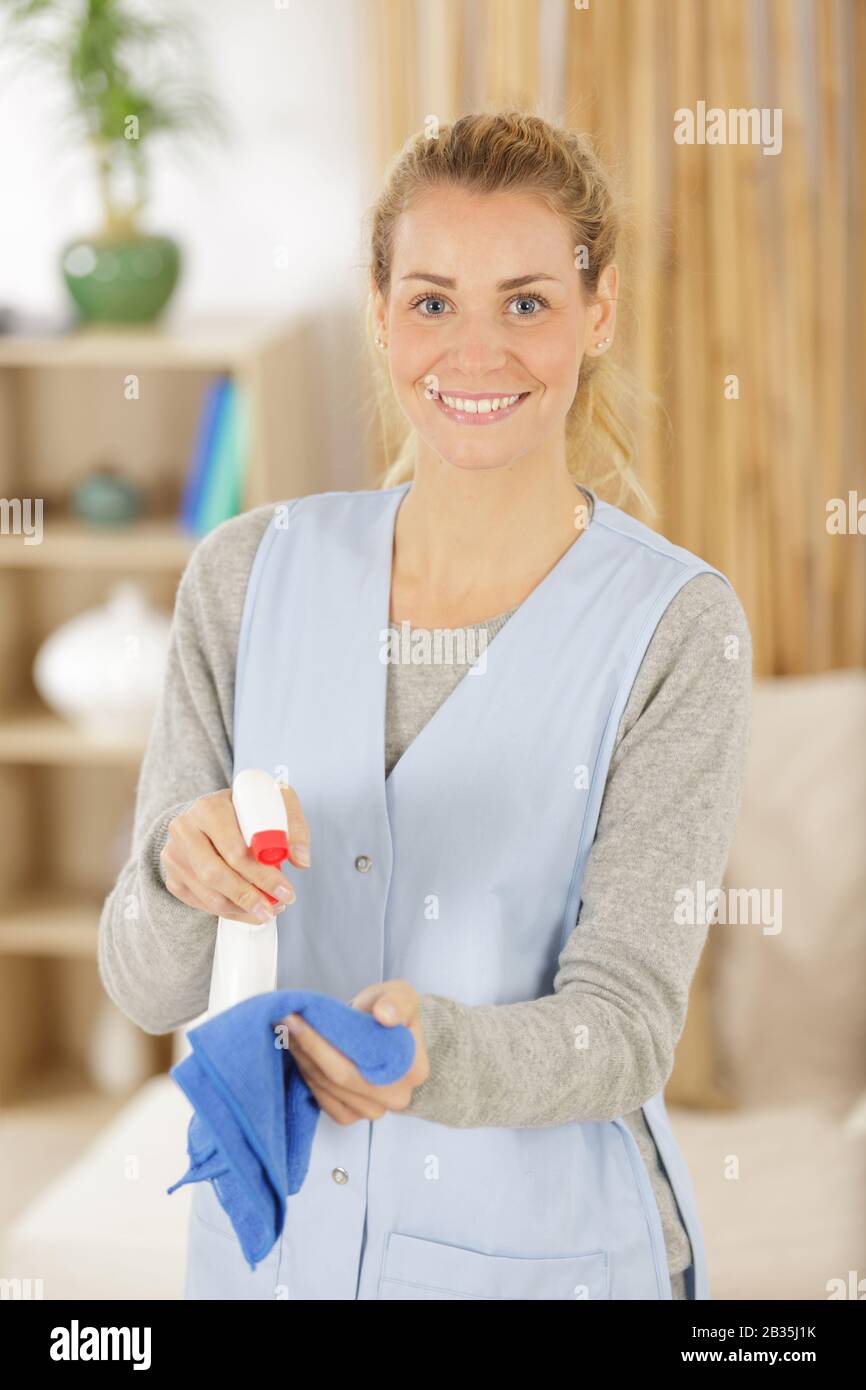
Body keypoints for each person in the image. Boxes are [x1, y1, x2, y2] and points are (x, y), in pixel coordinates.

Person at [99, 110, 752, 1300]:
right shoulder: (244, 577)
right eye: (433, 300)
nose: (475, 352)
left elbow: (623, 1026)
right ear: (381, 308)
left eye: (527, 301)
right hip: (272, 1264)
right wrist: (173, 874)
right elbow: (148, 987)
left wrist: (427, 1058)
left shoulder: (674, 628)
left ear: (596, 312)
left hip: (546, 1263)